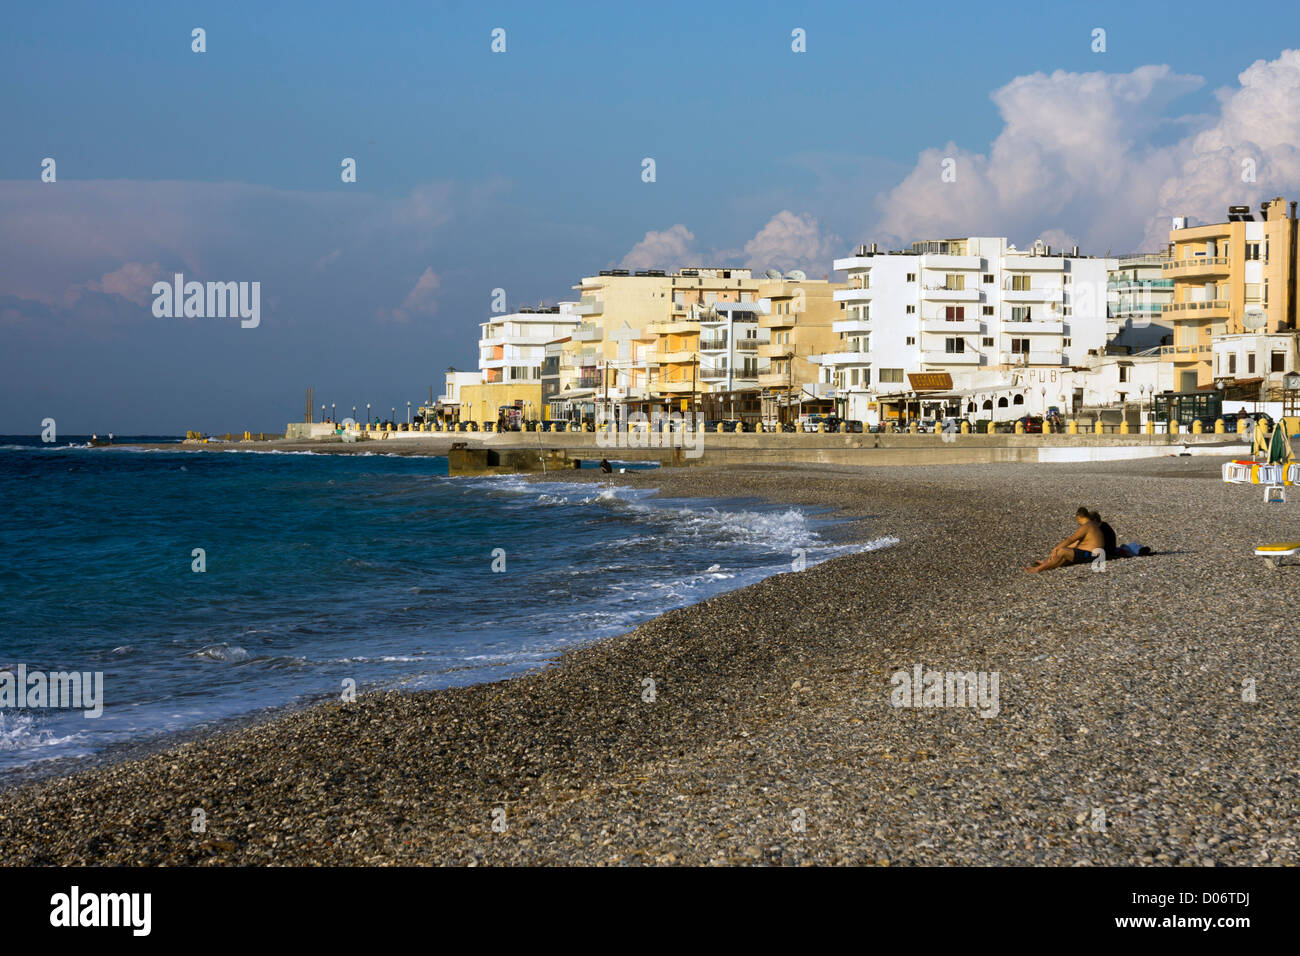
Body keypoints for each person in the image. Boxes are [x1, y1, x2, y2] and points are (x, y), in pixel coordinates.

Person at [1025, 506, 1106, 573]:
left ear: (1078, 518)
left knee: (1063, 551)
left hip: (1092, 555)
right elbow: (1077, 543)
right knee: (1064, 553)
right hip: (1092, 554)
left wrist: (1056, 549)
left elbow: (1071, 539)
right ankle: (1047, 564)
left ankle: (1038, 569)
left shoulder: (1086, 526)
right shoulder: (1092, 525)